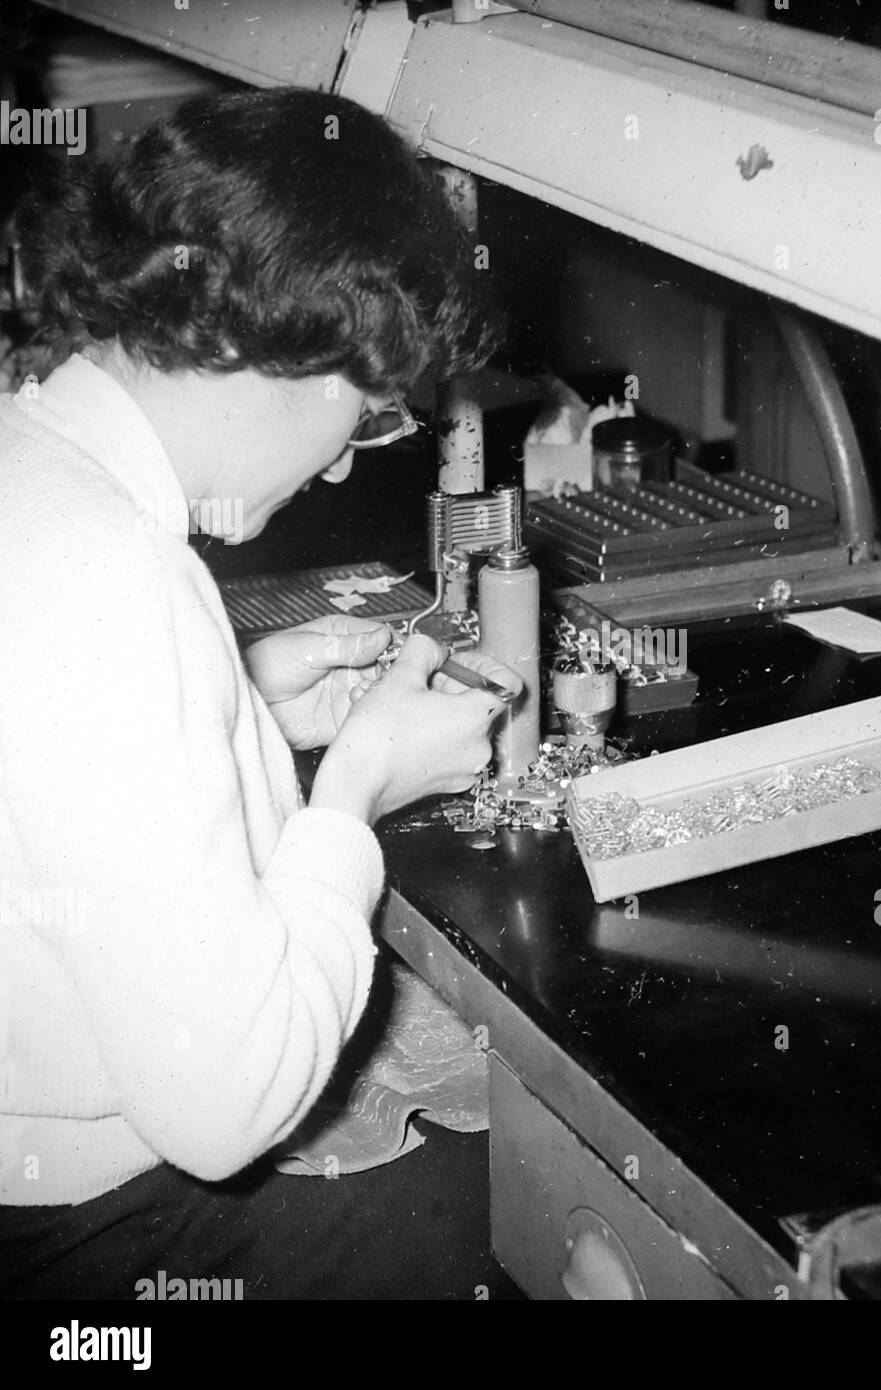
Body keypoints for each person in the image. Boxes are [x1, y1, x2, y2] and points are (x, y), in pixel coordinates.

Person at [0, 87, 523, 1299]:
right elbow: (227, 1102)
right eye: (362, 402)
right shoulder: (118, 572)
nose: (347, 456)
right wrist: (352, 795)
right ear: (254, 344)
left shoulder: (32, 462)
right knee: (555, 1225)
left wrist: (238, 711)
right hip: (105, 1250)